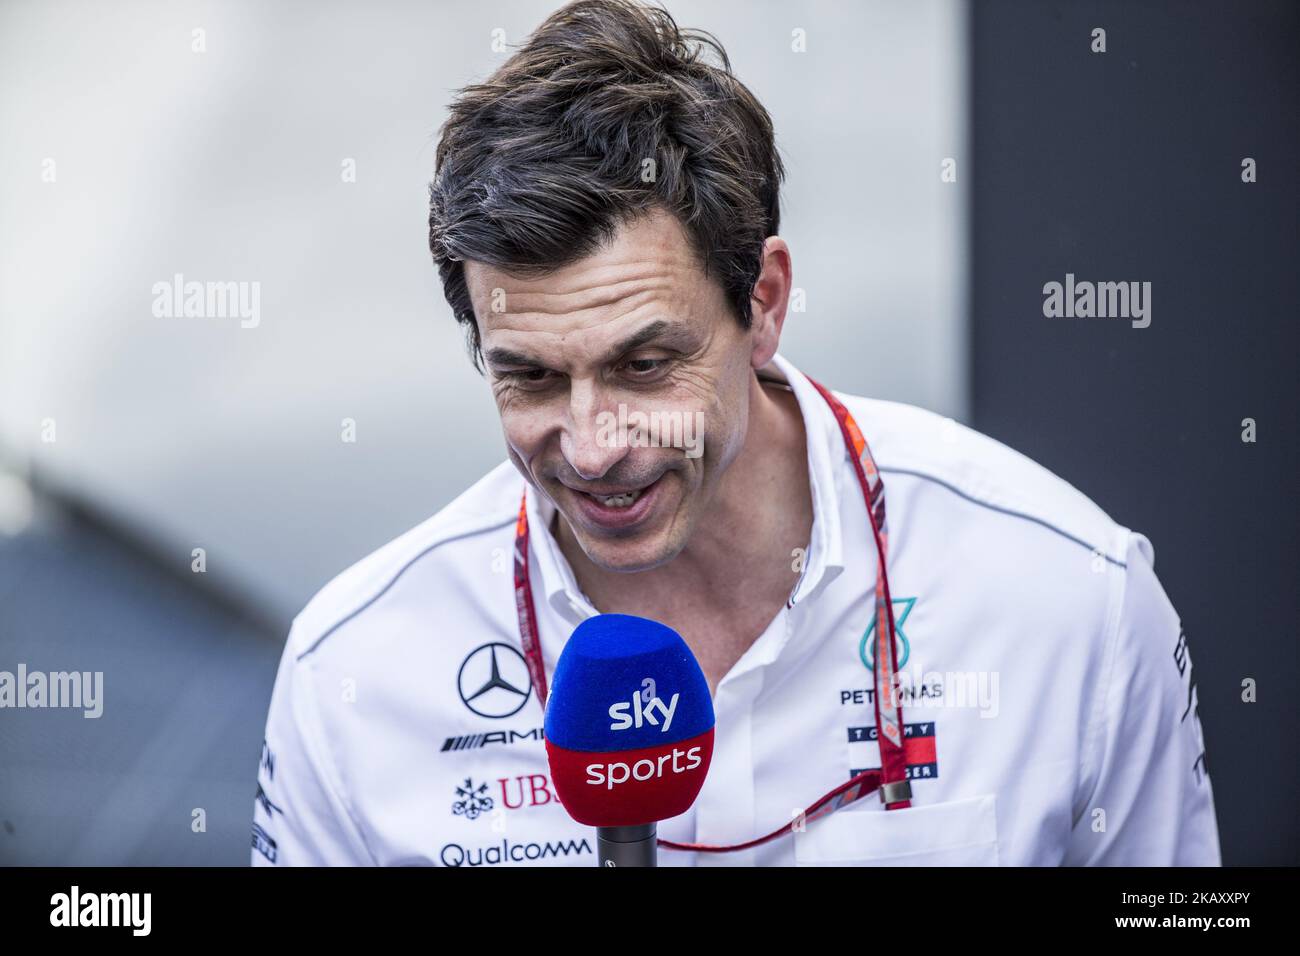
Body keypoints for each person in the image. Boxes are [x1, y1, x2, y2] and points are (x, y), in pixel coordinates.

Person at [251, 0, 1220, 866]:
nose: (592, 446)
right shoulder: (352, 674)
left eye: (644, 364)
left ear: (762, 302)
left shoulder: (1070, 600)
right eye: (531, 376)